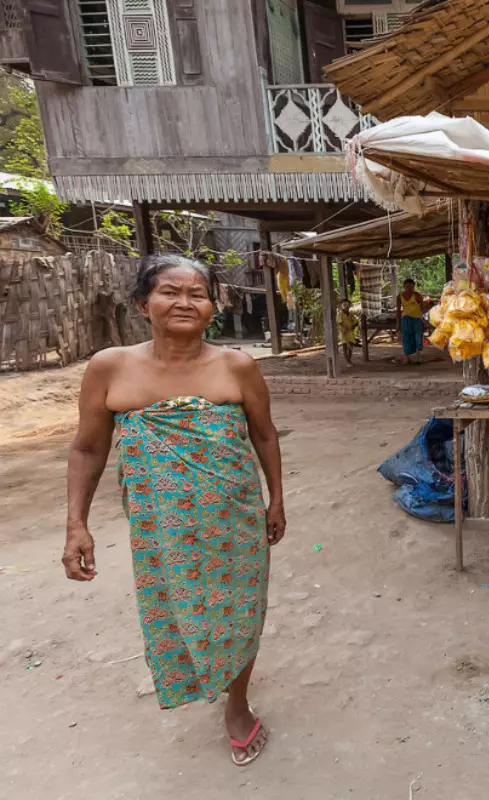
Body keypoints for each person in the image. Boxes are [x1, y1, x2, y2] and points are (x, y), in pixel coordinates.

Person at [64, 253, 285, 767]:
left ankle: (236, 703)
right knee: (178, 607)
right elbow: (87, 449)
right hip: (161, 529)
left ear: (213, 307)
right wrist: (76, 524)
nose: (184, 302)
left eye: (197, 293)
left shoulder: (238, 367)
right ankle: (200, 675)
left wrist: (277, 499)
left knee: (239, 611)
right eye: (170, 291)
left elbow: (265, 435)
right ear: (144, 303)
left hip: (234, 520)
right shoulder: (109, 367)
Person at [397, 278, 424, 365]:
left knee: (418, 337)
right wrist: (398, 323)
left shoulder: (417, 295)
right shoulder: (399, 296)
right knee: (406, 338)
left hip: (417, 319)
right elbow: (398, 310)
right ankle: (407, 358)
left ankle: (418, 357)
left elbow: (422, 307)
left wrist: (424, 319)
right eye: (407, 286)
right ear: (404, 287)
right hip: (405, 319)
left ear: (414, 287)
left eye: (411, 287)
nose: (409, 289)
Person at [336, 298, 358, 366]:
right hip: (343, 333)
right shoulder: (339, 315)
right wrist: (343, 329)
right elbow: (339, 324)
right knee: (345, 347)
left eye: (348, 305)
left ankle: (349, 360)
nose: (346, 306)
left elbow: (356, 322)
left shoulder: (350, 314)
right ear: (341, 306)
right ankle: (348, 362)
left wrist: (353, 326)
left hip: (350, 333)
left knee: (351, 347)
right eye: (344, 305)